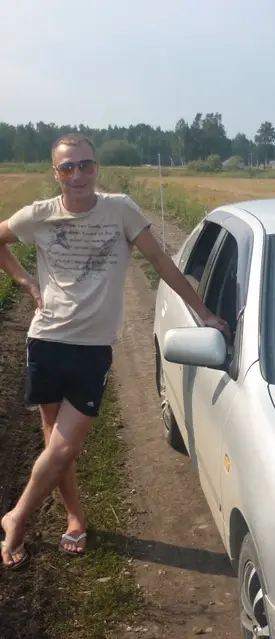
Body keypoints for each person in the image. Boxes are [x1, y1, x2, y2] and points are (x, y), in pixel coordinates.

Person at [0, 133, 229, 570]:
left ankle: (17, 516)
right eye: (68, 167)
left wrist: (203, 313)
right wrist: (24, 281)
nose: (78, 174)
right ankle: (75, 517)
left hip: (92, 348)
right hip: (46, 339)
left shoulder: (120, 209)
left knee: (63, 448)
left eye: (85, 165)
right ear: (55, 173)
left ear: (97, 167)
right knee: (56, 445)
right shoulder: (40, 215)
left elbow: (159, 261)